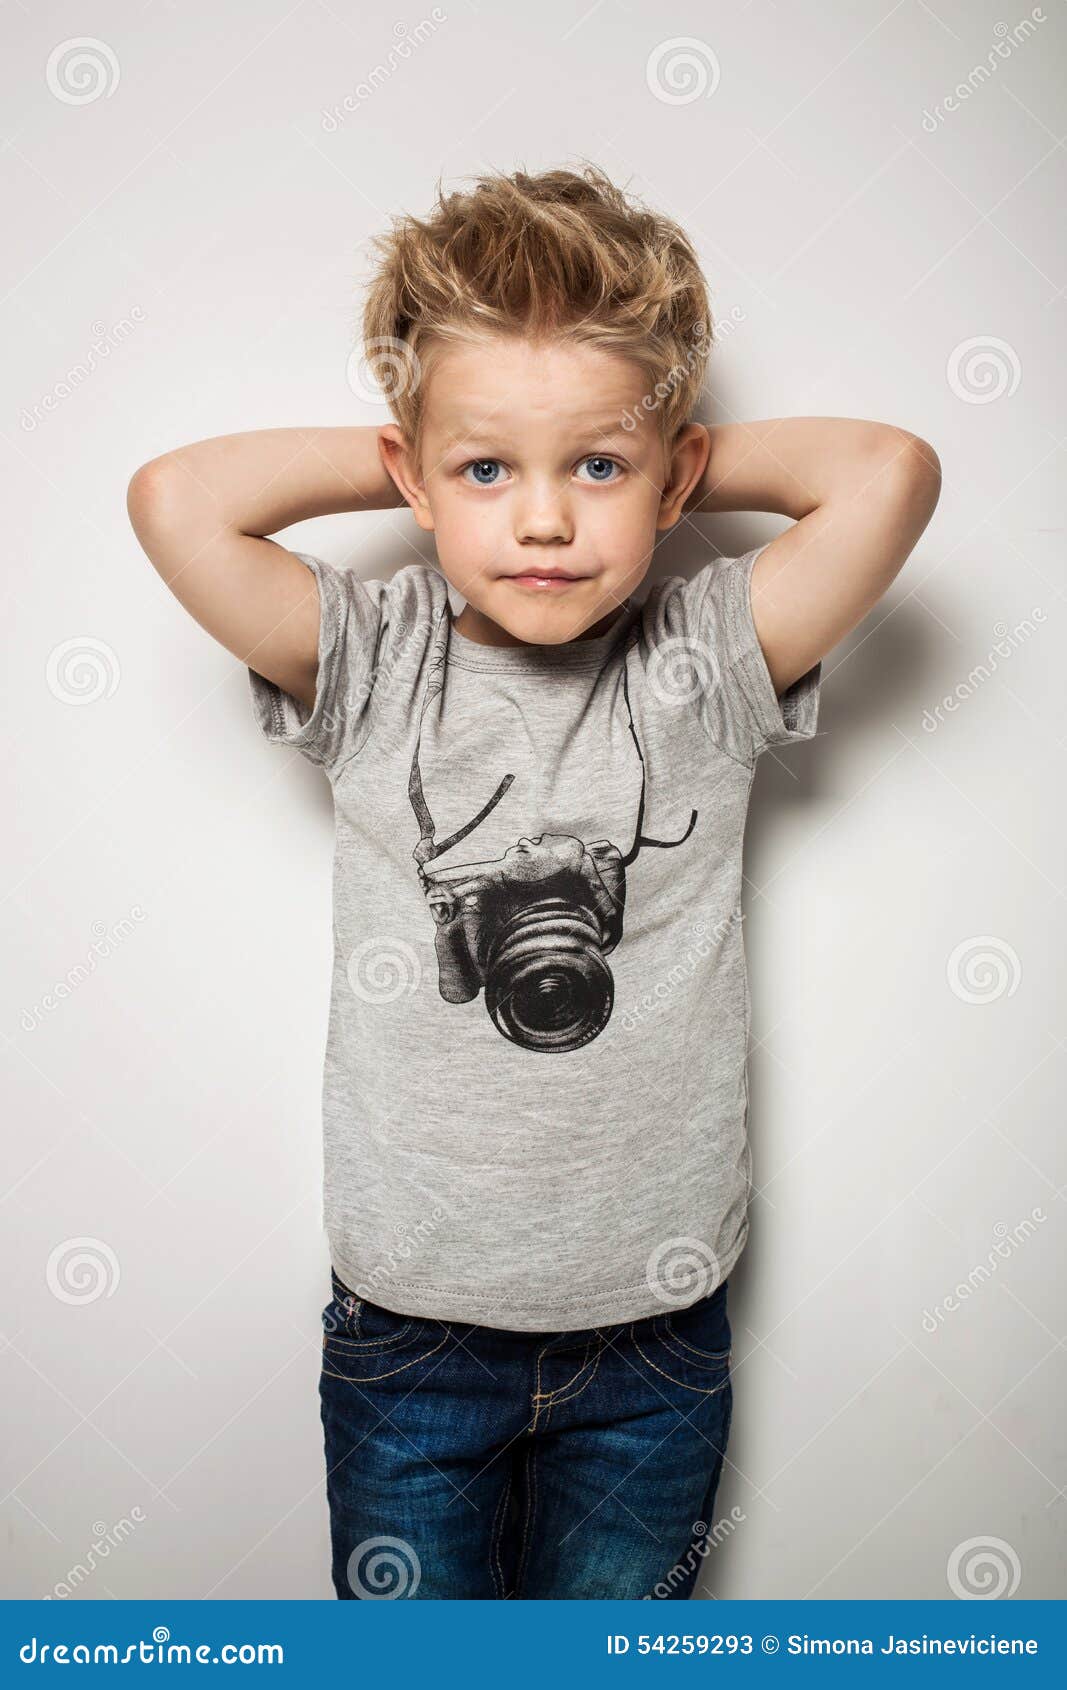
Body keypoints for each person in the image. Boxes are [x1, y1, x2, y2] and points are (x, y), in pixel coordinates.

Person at [126, 163, 941, 1599]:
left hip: (658, 1328)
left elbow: (890, 472)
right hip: (410, 1333)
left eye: (602, 471)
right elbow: (175, 499)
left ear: (677, 474)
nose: (547, 521)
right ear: (414, 477)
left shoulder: (700, 664)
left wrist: (618, 430)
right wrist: (444, 429)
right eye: (488, 473)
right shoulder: (378, 666)